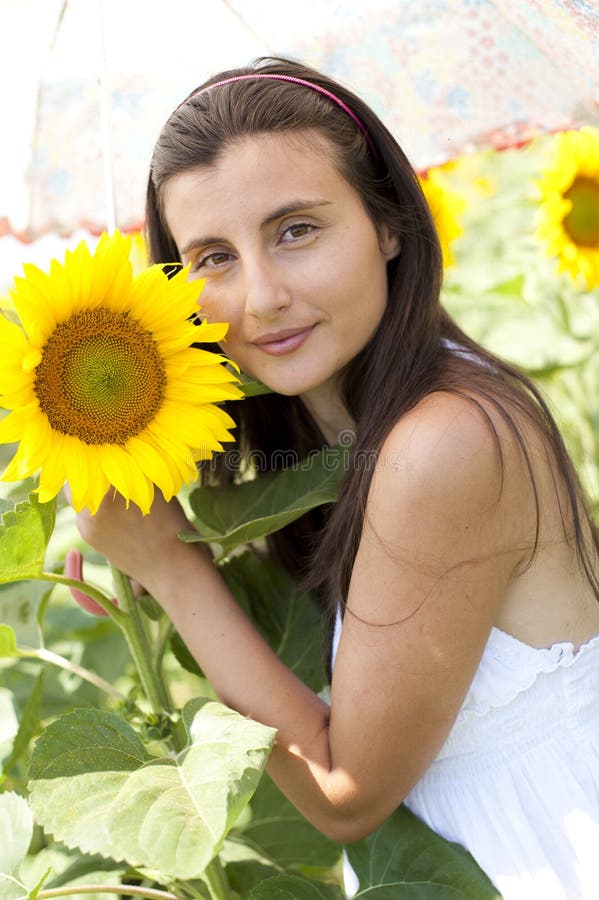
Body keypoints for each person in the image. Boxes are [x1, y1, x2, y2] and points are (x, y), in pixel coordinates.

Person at [74, 57, 599, 900]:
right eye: (212, 257)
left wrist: (171, 568)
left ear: (388, 222)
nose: (261, 297)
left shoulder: (443, 443)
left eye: (296, 230)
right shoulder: (340, 442)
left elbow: (342, 795)